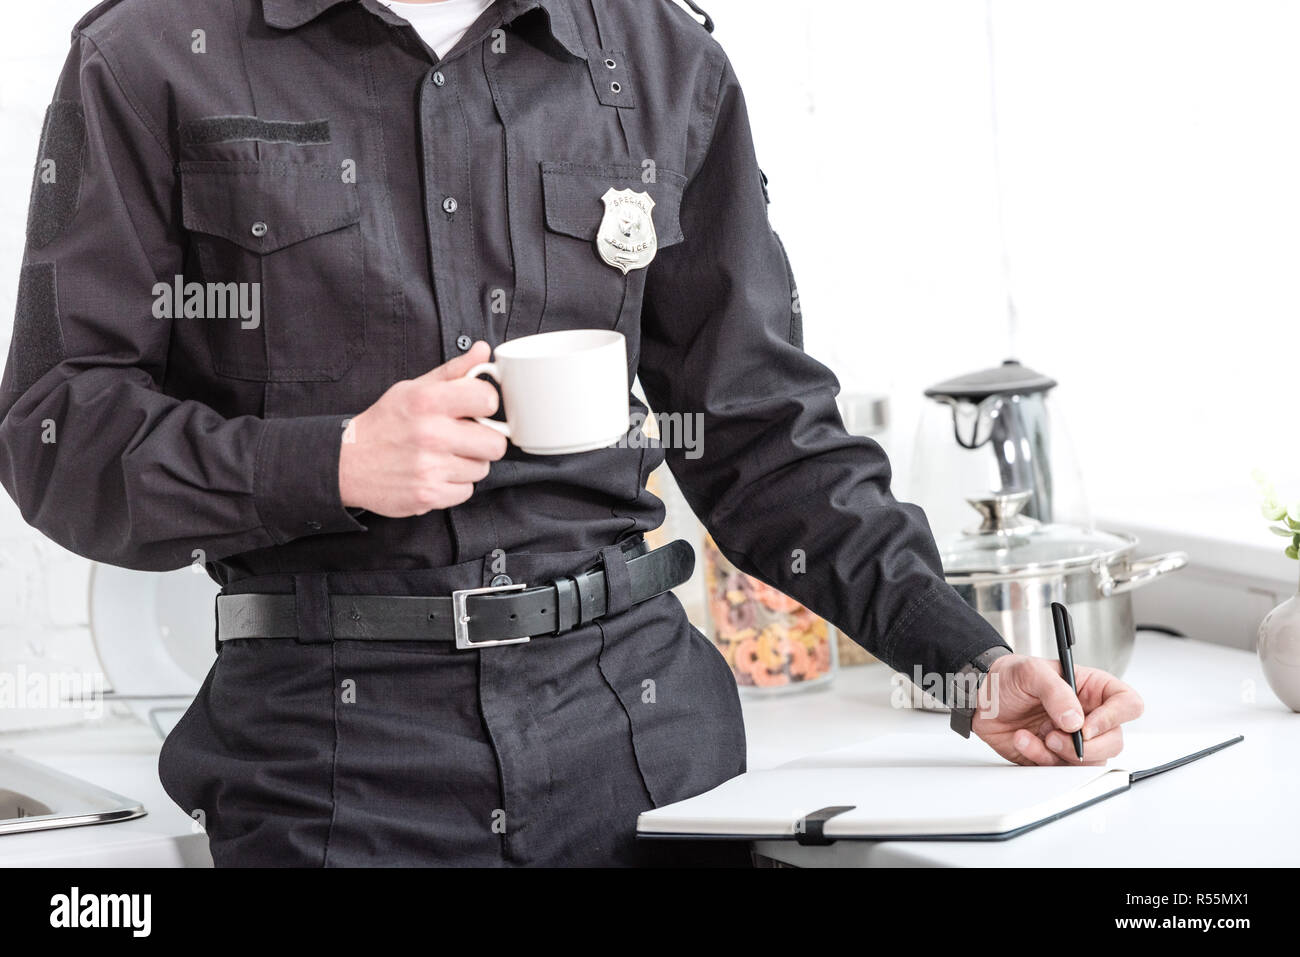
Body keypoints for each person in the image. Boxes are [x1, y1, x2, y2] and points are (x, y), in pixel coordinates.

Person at [0, 0, 1142, 867]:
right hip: (333, 776)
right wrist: (331, 462)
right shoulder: (149, 51)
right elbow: (55, 434)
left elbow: (765, 434)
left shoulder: (655, 51)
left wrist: (967, 667)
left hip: (653, 753)